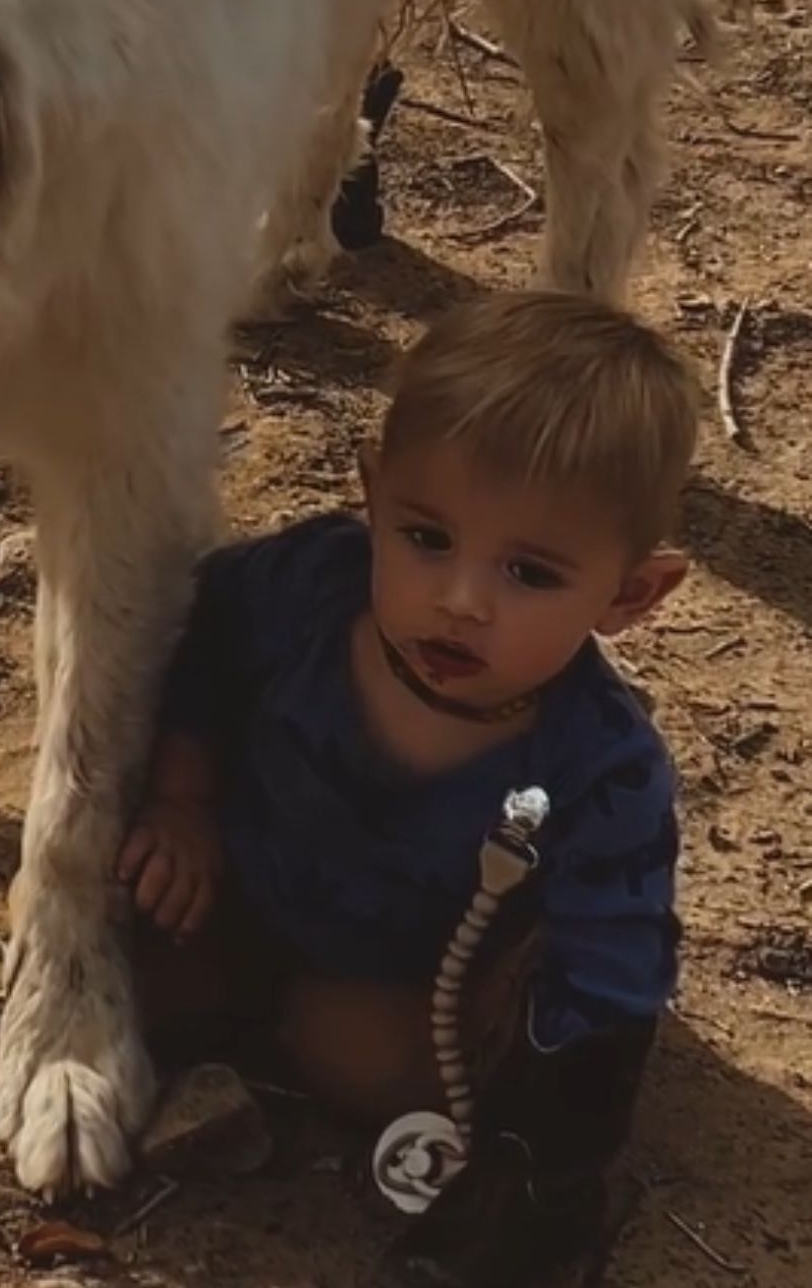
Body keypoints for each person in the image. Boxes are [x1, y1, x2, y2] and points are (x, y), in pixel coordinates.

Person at [117, 289, 695, 1288]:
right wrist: (182, 799)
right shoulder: (306, 589)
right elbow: (203, 648)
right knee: (116, 921)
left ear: (631, 594)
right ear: (372, 494)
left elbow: (614, 968)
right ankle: (239, 1008)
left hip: (412, 978)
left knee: (373, 1061)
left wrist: (544, 1153)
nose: (460, 599)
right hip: (242, 885)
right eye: (426, 536)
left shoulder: (601, 765)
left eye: (530, 571)